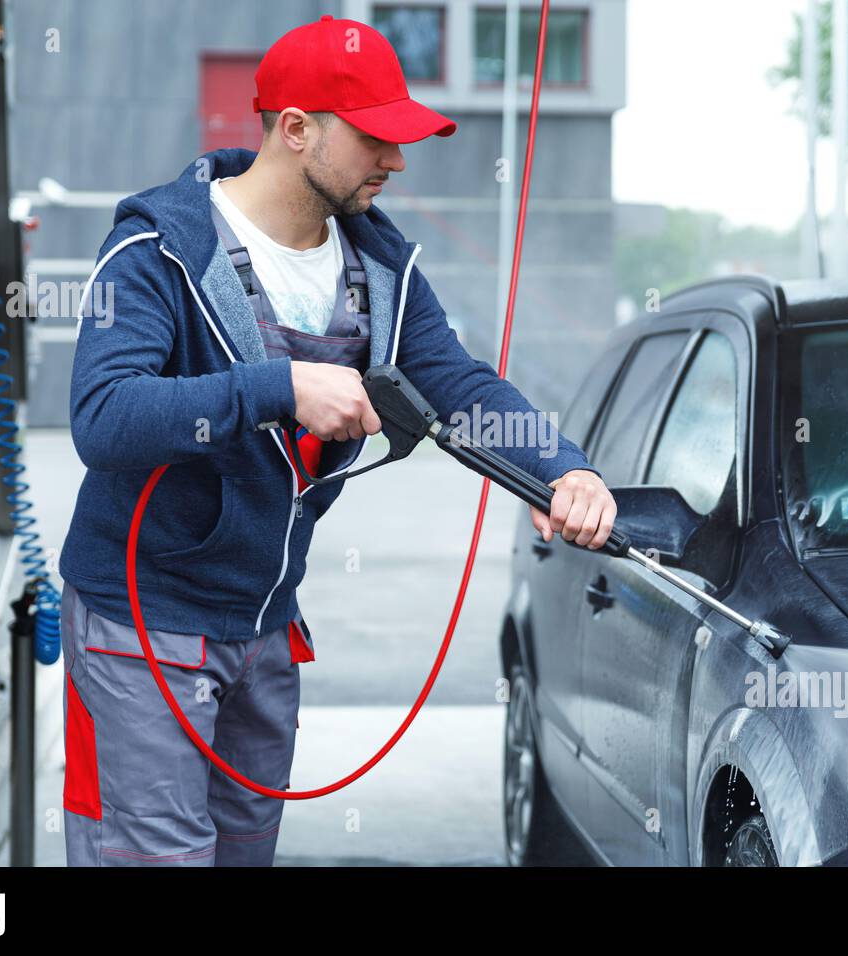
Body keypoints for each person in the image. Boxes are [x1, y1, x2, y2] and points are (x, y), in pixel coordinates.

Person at [57, 15, 616, 866]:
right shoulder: (154, 251)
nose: (396, 161)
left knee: (245, 851)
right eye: (375, 139)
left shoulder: (383, 268)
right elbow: (104, 416)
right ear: (295, 128)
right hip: (144, 626)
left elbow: (459, 387)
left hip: (265, 627)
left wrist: (564, 472)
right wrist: (279, 388)